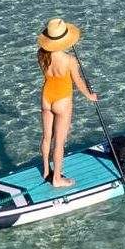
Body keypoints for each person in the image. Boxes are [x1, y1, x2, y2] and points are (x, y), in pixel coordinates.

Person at [35, 19, 95, 190]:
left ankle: (47, 171)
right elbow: (78, 82)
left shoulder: (41, 55)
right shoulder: (69, 60)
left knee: (47, 137)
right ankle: (57, 179)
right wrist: (90, 96)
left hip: (46, 97)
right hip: (62, 100)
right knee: (59, 143)